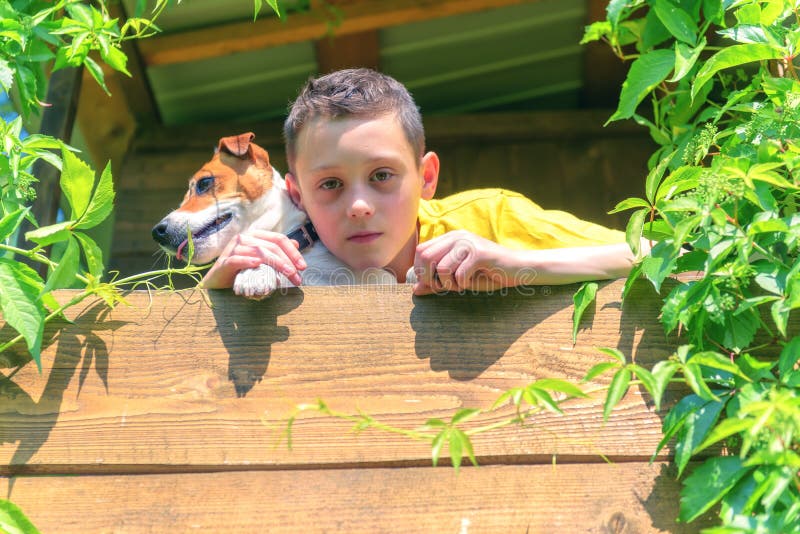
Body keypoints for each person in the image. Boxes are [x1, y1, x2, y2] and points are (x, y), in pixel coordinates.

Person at [201, 68, 641, 295]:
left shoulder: (489, 218)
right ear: (297, 195)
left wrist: (514, 264)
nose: (359, 205)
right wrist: (212, 291)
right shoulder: (282, 268)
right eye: (330, 184)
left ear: (426, 177)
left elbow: (664, 257)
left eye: (382, 175)